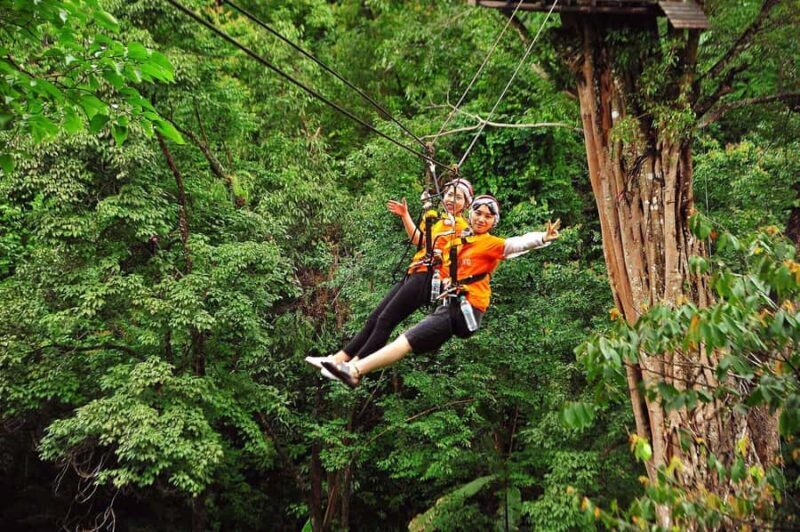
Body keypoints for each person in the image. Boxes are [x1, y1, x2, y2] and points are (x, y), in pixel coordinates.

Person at [322, 195, 561, 388]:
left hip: (466, 309)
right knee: (405, 340)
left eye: (488, 217)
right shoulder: (457, 244)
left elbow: (517, 243)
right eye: (478, 214)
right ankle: (352, 368)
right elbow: (439, 263)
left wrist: (542, 237)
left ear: (493, 222)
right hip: (449, 307)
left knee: (404, 339)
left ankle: (353, 369)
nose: (481, 219)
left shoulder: (491, 244)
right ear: (471, 214)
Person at [305, 179, 474, 378]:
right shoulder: (437, 221)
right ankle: (337, 360)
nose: (451, 199)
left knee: (386, 320)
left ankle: (353, 368)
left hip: (428, 277)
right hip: (415, 272)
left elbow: (456, 256)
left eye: (458, 197)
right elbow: (419, 241)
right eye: (449, 194)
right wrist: (405, 215)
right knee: (375, 318)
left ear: (467, 204)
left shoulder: (461, 227)